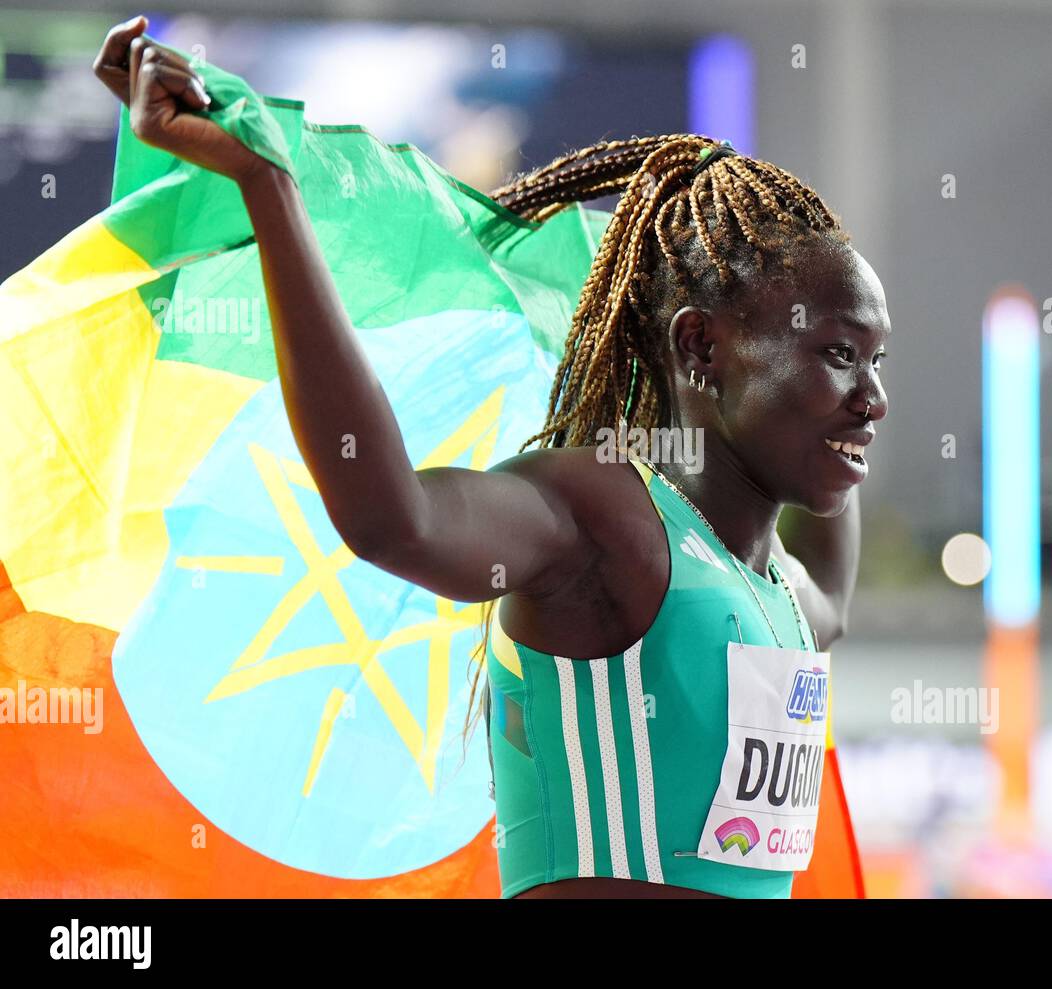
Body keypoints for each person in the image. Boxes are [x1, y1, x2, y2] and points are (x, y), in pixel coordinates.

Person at [93, 15, 891, 899]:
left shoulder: (776, 595)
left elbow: (835, 599)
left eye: (878, 359)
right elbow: (392, 517)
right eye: (839, 354)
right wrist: (267, 188)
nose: (876, 397)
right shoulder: (601, 517)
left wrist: (829, 415)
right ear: (699, 349)